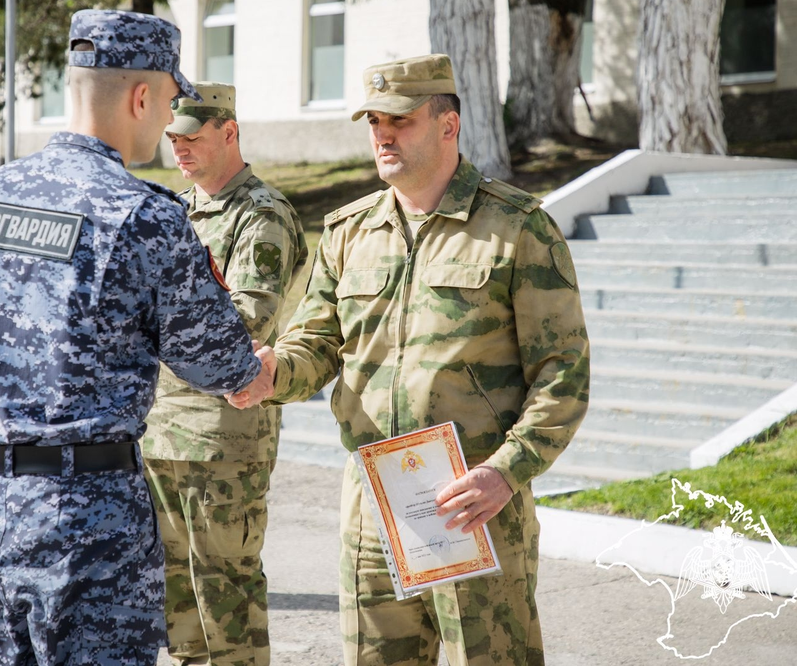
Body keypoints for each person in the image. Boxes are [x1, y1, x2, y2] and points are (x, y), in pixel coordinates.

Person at [0, 10, 271, 666]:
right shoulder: (141, 215)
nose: (170, 121)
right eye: (169, 101)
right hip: (94, 527)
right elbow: (224, 364)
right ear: (142, 97)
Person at [230, 54, 590, 666]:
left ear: (447, 125)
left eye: (399, 119)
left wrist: (505, 472)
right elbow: (316, 343)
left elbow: (563, 373)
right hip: (373, 504)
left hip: (471, 502)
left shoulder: (517, 229)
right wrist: (271, 374)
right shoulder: (349, 231)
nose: (382, 134)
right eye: (373, 120)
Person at [143, 82, 308, 666]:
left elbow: (242, 325)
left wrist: (148, 319)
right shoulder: (174, 212)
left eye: (192, 137)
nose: (179, 149)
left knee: (225, 594)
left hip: (223, 436)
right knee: (176, 597)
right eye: (172, 139)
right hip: (159, 428)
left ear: (229, 132)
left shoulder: (261, 214)